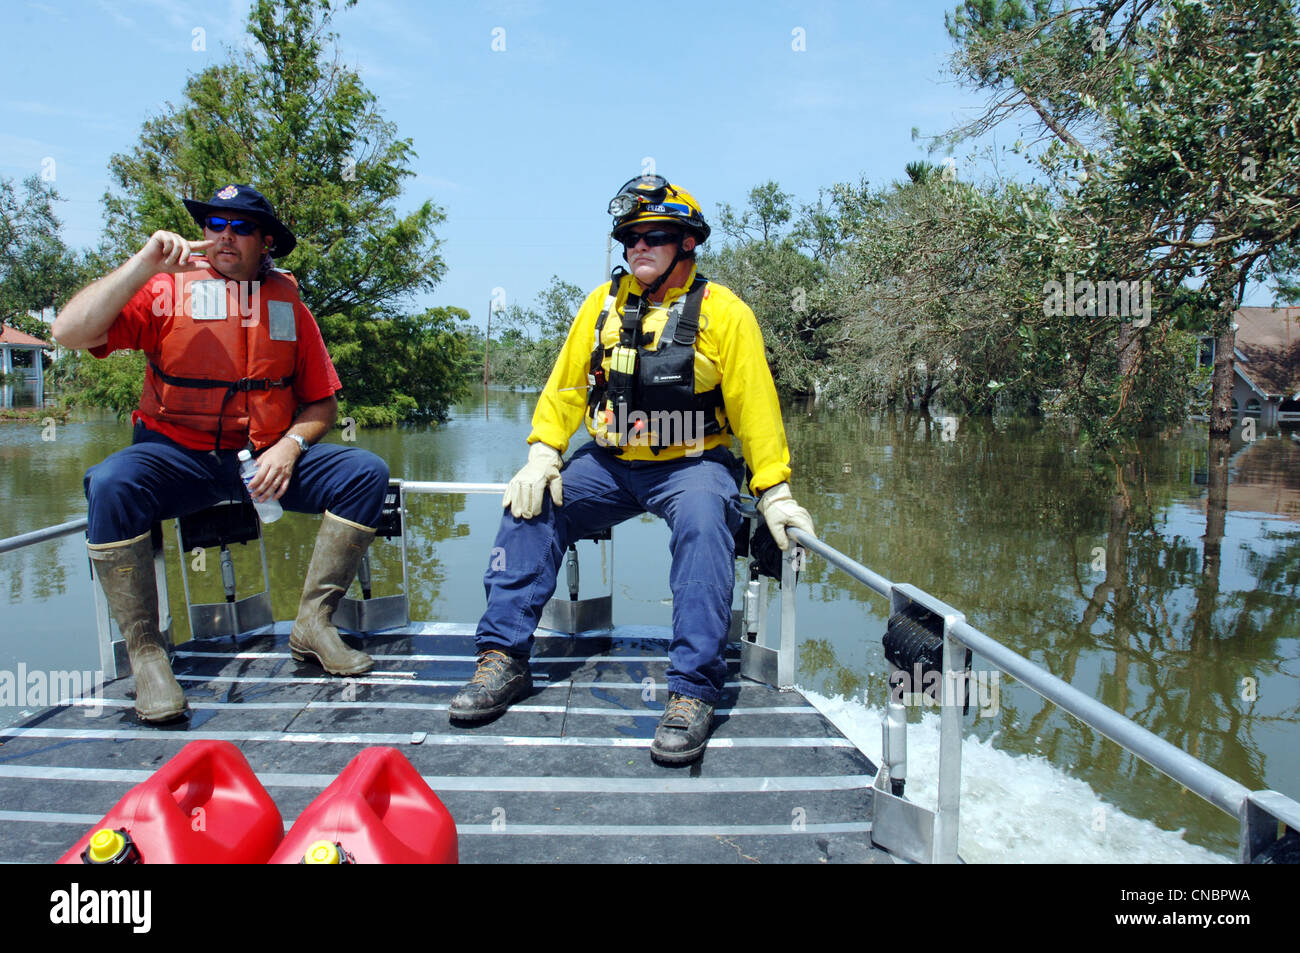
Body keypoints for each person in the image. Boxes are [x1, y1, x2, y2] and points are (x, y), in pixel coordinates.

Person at [450, 174, 815, 763]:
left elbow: (757, 408)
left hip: (692, 463)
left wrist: (773, 489)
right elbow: (566, 386)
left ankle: (692, 690)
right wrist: (543, 452)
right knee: (532, 504)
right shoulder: (600, 306)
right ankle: (503, 659)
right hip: (609, 461)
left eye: (653, 236)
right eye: (629, 238)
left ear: (687, 244)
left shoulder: (726, 314)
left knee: (703, 523)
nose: (637, 247)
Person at [52, 184, 389, 723]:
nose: (224, 235)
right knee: (111, 482)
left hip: (264, 462)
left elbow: (322, 404)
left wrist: (291, 445)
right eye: (214, 224)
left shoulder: (290, 304)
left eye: (241, 227)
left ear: (266, 243)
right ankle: (147, 654)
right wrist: (142, 263)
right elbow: (67, 332)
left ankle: (312, 624)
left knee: (365, 472)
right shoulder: (164, 288)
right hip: (177, 457)